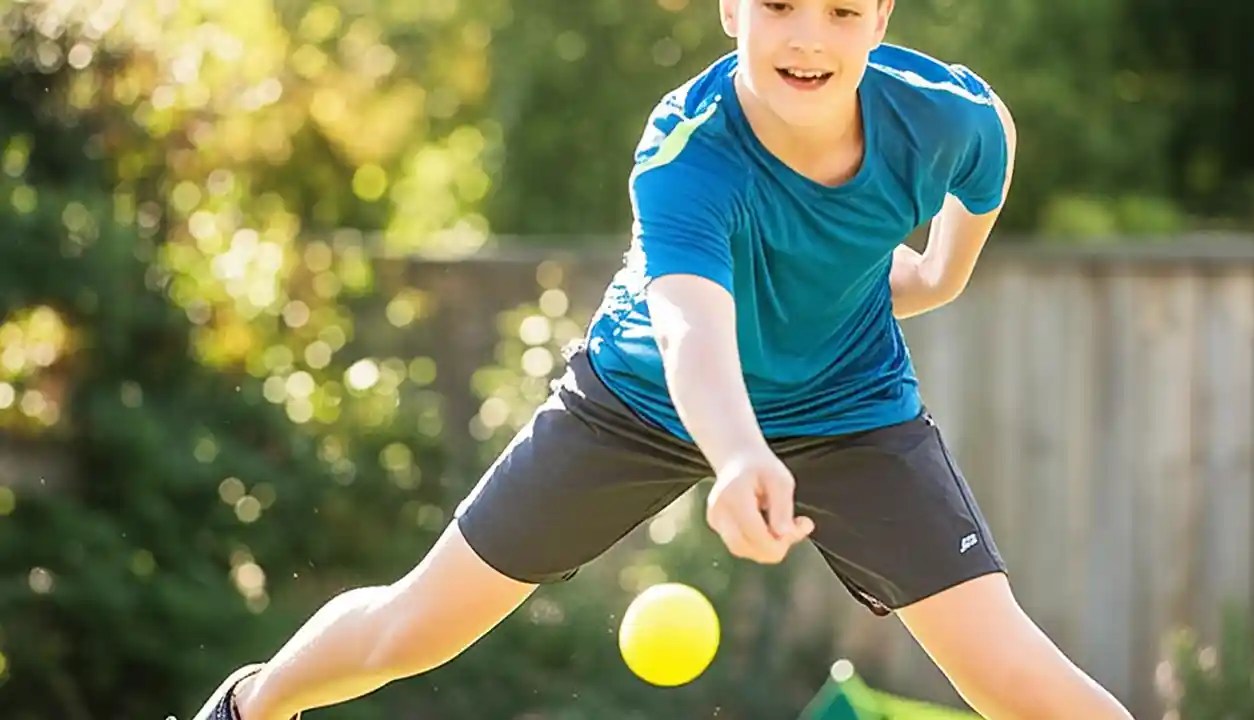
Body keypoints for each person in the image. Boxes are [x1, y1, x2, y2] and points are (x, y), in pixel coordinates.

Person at [190, 1, 1135, 718]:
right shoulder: (688, 152)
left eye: (845, 9)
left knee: (1014, 677)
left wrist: (930, 275)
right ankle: (248, 706)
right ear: (730, 6)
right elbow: (693, 331)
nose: (810, 37)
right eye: (779, 5)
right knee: (415, 629)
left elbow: (969, 198)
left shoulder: (947, 123)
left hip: (849, 404)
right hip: (641, 398)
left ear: (883, 16)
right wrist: (736, 455)